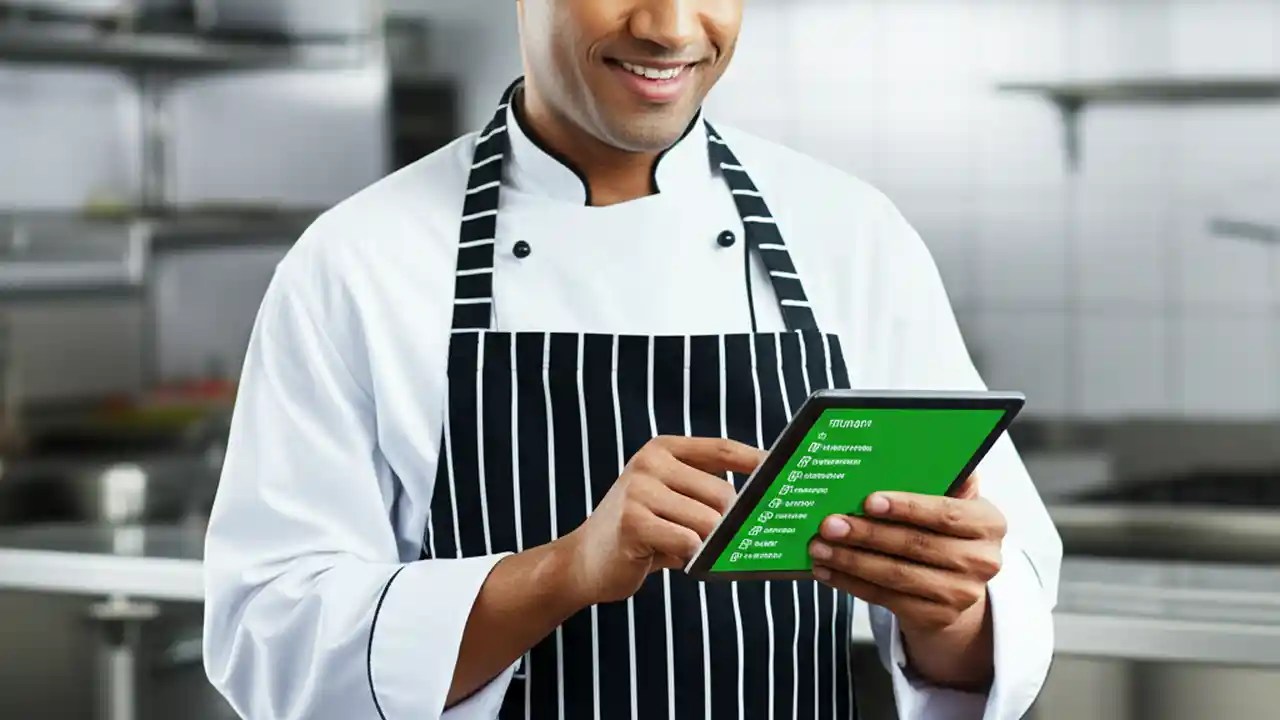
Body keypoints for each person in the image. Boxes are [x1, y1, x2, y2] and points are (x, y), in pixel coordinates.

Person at [202, 1, 1062, 718]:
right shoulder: (361, 259)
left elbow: (995, 613)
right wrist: (562, 572)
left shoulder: (851, 235)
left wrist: (949, 609)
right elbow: (271, 641)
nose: (670, 27)